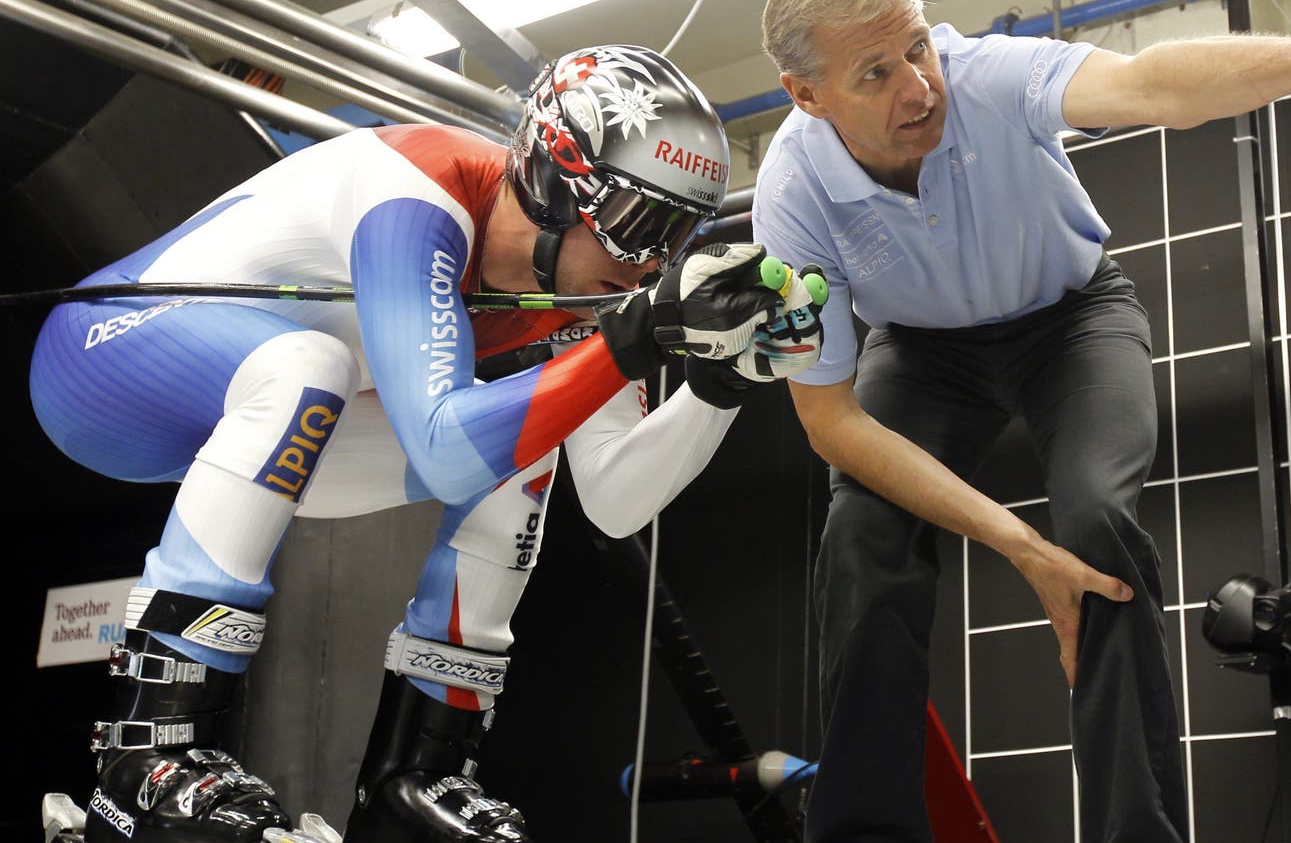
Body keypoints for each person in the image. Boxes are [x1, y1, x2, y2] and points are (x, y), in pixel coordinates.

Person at [749, 0, 1291, 842]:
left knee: (1095, 523)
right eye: (875, 74)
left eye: (917, 47)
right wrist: (1018, 545)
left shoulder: (987, 77)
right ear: (806, 96)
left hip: (1069, 320)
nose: (918, 88)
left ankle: (1137, 830)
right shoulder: (789, 199)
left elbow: (1152, 84)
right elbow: (830, 422)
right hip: (921, 354)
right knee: (861, 537)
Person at [29, 43, 825, 843]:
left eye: (675, 235)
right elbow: (442, 449)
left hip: (258, 418)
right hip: (102, 360)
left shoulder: (595, 289)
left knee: (522, 443)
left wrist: (721, 386)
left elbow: (616, 502)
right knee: (312, 365)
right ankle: (151, 754)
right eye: (637, 224)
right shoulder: (417, 189)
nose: (649, 263)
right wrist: (636, 337)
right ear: (553, 182)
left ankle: (414, 778)